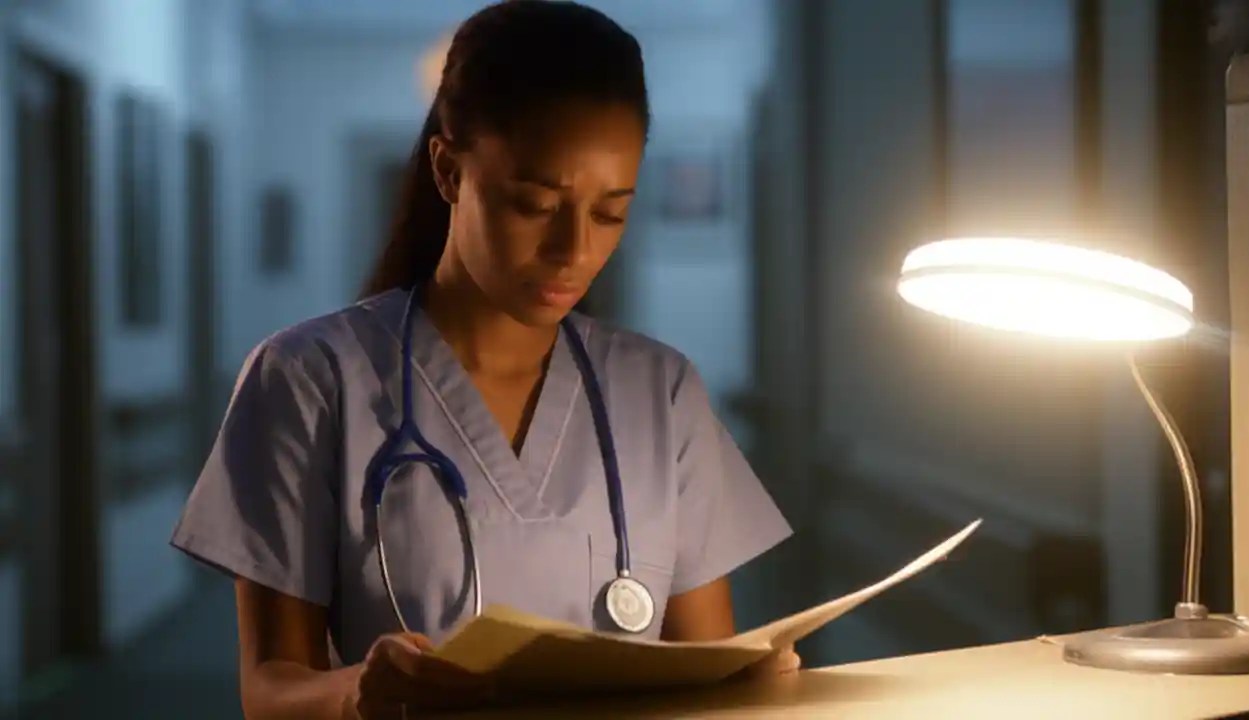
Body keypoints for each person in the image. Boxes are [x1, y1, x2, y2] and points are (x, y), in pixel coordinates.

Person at [170, 1, 796, 717]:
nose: (574, 250)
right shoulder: (310, 379)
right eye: (534, 204)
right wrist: (357, 696)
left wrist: (753, 682)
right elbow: (270, 691)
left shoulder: (661, 391)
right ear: (447, 170)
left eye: (610, 213)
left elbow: (706, 670)